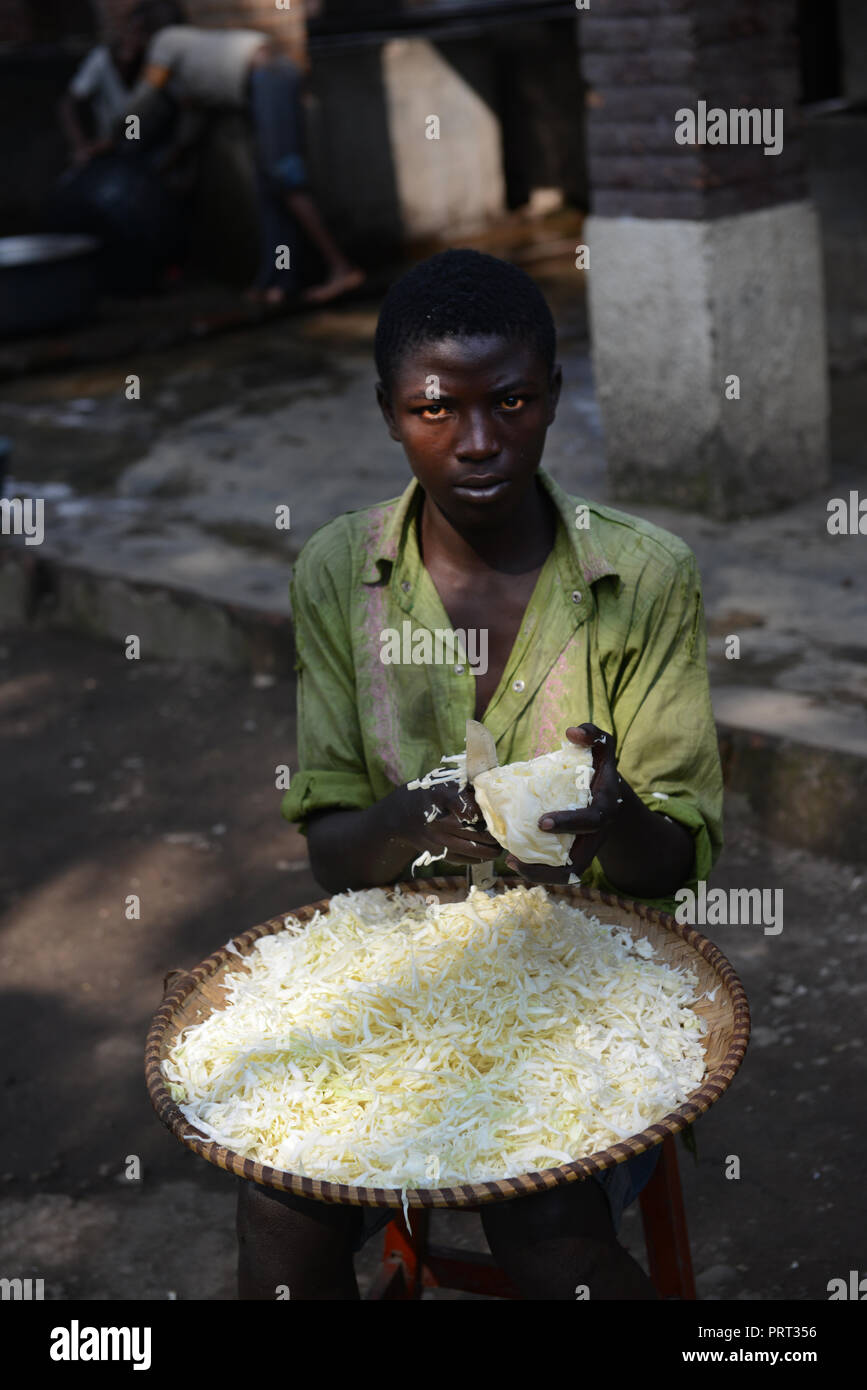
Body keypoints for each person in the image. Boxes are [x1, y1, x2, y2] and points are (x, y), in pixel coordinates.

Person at [238, 249, 724, 1300]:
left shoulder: (642, 577)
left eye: (510, 400)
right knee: (275, 1211)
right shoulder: (339, 572)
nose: (477, 441)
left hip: (586, 988)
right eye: (434, 408)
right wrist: (404, 820)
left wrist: (611, 820)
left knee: (546, 1222)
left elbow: (672, 855)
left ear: (553, 395)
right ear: (388, 412)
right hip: (402, 982)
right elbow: (331, 850)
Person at [123, 1, 364, 305]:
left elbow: (143, 99)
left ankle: (341, 268)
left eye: (132, 32)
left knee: (285, 179)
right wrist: (173, 158)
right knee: (268, 187)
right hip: (266, 81)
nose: (128, 40)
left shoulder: (166, 40)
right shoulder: (186, 60)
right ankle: (278, 281)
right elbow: (193, 119)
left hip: (271, 76)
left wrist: (110, 134)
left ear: (144, 30)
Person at [59, 6, 148, 165]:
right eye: (129, 31)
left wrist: (116, 142)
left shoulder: (150, 64)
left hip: (139, 150)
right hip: (108, 152)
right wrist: (80, 145)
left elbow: (136, 119)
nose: (132, 39)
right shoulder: (101, 59)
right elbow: (68, 104)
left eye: (139, 33)